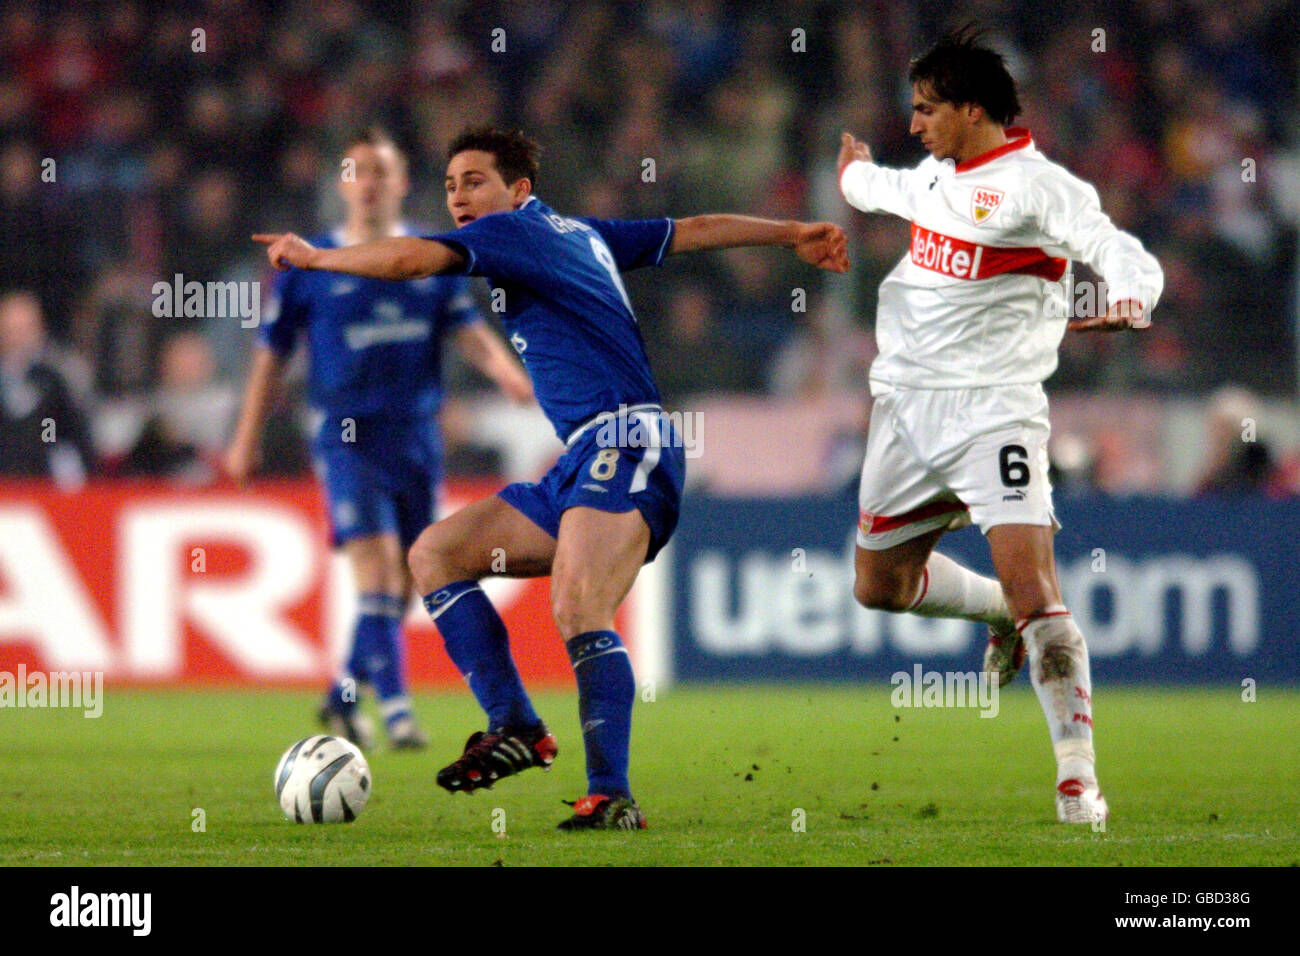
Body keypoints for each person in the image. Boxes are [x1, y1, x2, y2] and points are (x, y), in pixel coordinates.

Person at [255, 125, 848, 829]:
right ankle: (517, 727)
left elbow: (414, 261)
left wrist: (321, 258)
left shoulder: (518, 235)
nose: (458, 198)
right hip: (582, 457)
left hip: (627, 440)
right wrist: (789, 234)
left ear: (519, 191)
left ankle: (612, 794)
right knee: (434, 553)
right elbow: (691, 230)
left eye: (474, 181)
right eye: (449, 186)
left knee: (577, 607)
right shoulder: (582, 233)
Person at [837, 27, 1163, 824]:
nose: (914, 125)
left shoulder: (1038, 187)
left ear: (972, 110)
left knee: (1037, 590)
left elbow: (1116, 249)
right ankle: (993, 615)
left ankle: (1078, 779)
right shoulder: (934, 181)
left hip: (995, 415)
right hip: (905, 414)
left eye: (926, 110)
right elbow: (875, 187)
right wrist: (850, 175)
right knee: (878, 588)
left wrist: (1131, 298)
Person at [227, 127, 532, 751]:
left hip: (417, 437)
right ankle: (395, 712)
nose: (368, 182)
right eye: (356, 170)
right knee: (380, 568)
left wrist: (503, 370)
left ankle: (341, 696)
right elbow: (269, 358)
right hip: (346, 438)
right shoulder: (310, 266)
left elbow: (464, 327)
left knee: (405, 580)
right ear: (341, 184)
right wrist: (245, 437)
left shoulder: (429, 256)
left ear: (400, 183)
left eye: (381, 171)